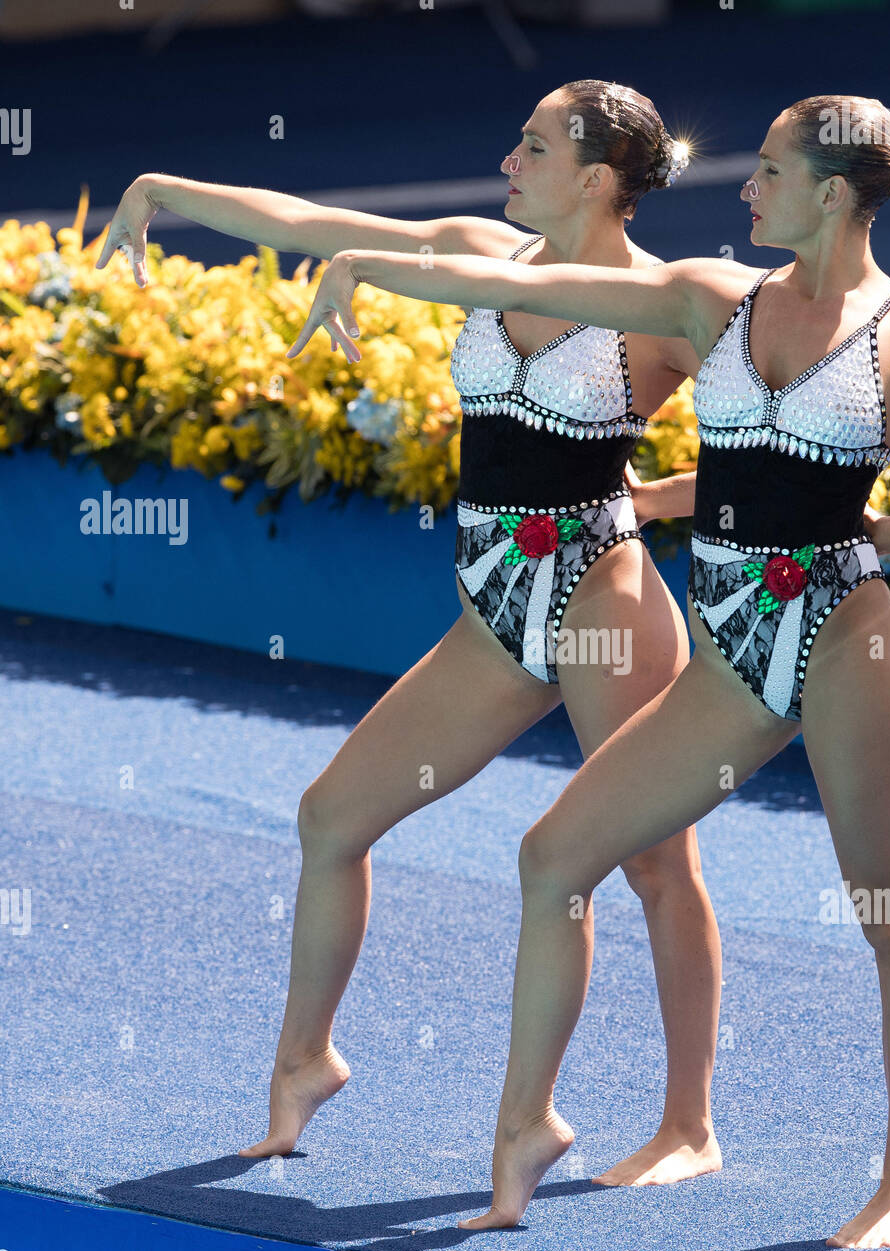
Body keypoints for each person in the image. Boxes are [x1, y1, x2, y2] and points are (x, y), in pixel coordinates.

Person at [291, 93, 890, 1246]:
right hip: (729, 662)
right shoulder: (708, 296)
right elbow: (545, 288)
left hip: (853, 642)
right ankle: (522, 1139)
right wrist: (362, 263)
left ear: (833, 195)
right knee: (552, 855)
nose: (746, 189)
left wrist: (885, 538)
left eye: (771, 173)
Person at [97, 80, 730, 1190]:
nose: (506, 161)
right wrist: (165, 190)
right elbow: (314, 227)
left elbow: (790, 411)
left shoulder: (668, 301)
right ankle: (305, 1060)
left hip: (603, 601)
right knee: (332, 816)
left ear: (595, 177)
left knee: (649, 861)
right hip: (493, 605)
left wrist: (666, 499)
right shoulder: (482, 252)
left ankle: (686, 1121)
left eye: (531, 147)